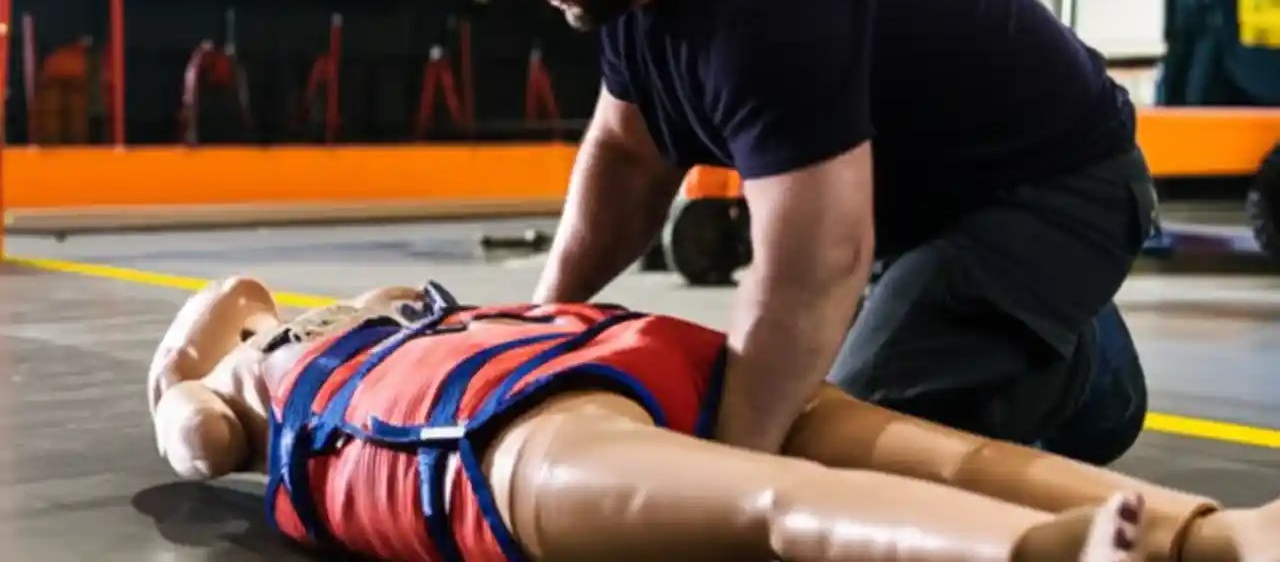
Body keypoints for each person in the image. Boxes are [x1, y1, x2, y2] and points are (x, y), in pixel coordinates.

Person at [384, 0, 1156, 462]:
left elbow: (814, 268)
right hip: (927, 209)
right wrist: (534, 325)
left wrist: (730, 493)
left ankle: (1060, 353)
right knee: (825, 394)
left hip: (1051, 192)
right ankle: (1064, 358)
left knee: (829, 459)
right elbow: (627, 157)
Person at [149, 275, 1279, 562]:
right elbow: (196, 440)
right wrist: (190, 390)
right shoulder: (228, 395)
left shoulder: (293, 361)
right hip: (490, 420)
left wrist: (209, 387)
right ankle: (1050, 550)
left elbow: (196, 439)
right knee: (783, 495)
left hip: (505, 392)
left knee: (823, 470)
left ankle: (1207, 535)